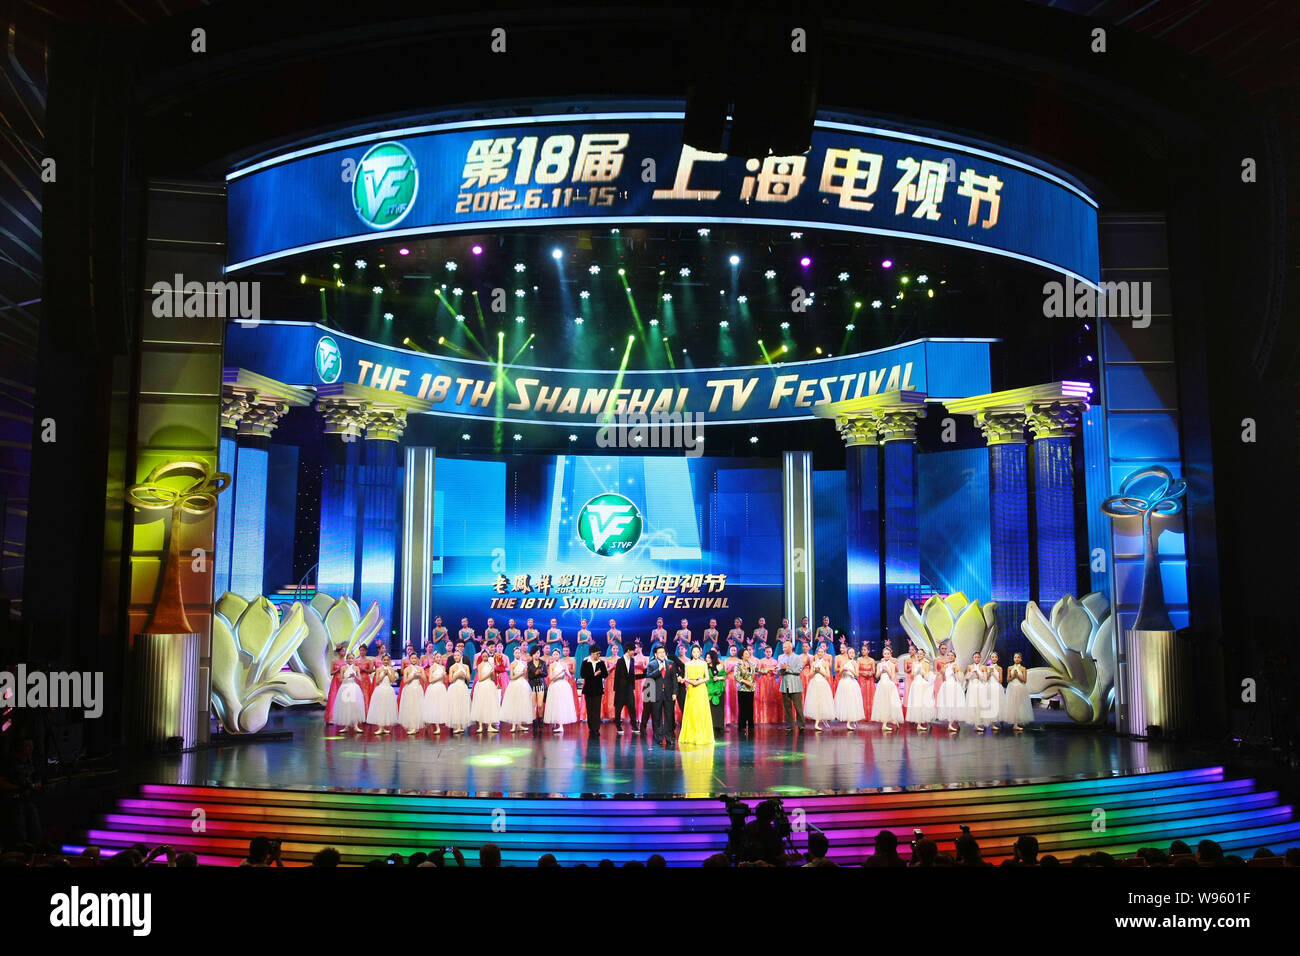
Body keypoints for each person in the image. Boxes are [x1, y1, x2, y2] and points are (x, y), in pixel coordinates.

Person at [678, 645, 714, 746]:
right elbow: (686, 677)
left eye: (698, 652)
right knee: (692, 711)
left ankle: (702, 735)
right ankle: (691, 735)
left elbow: (707, 677)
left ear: (700, 653)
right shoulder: (687, 664)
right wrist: (691, 682)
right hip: (692, 689)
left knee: (701, 711)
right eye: (694, 652)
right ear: (691, 653)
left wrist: (698, 682)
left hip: (701, 689)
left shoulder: (704, 663)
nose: (696, 654)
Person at [645, 645, 680, 747]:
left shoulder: (671, 663)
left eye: (663, 652)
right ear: (655, 655)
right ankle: (658, 738)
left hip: (668, 694)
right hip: (656, 694)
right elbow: (649, 677)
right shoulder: (652, 664)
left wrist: (675, 693)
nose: (662, 654)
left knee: (669, 716)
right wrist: (658, 670)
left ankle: (669, 737)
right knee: (657, 717)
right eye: (659, 652)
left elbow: (674, 680)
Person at [500, 648, 535, 733]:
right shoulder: (512, 664)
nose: (518, 654)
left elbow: (526, 675)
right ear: (513, 654)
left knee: (521, 704)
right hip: (515, 685)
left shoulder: (524, 663)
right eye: (516, 653)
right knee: (514, 704)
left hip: (523, 684)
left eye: (519, 652)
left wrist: (525, 673)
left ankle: (519, 725)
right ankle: (513, 725)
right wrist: (520, 674)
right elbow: (511, 677)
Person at [803, 645, 836, 731]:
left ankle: (822, 720)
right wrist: (814, 671)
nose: (820, 653)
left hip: (822, 683)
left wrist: (820, 671)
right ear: (817, 653)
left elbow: (828, 675)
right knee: (816, 702)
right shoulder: (813, 663)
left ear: (824, 653)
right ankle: (817, 723)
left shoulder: (825, 663)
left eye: (822, 652)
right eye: (819, 652)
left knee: (822, 702)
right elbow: (810, 675)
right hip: (814, 683)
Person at [543, 650, 577, 732]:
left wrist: (566, 672)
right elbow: (551, 678)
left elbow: (569, 675)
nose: (555, 655)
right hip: (554, 685)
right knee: (554, 703)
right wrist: (560, 672)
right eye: (554, 654)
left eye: (557, 654)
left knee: (561, 704)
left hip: (562, 685)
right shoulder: (551, 665)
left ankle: (561, 725)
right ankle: (555, 721)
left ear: (559, 655)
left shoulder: (564, 664)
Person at [612, 640, 642, 734]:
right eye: (633, 650)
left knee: (632, 708)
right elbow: (617, 676)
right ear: (628, 650)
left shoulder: (632, 660)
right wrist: (616, 689)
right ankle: (618, 726)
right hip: (620, 689)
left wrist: (644, 675)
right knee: (618, 708)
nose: (634, 652)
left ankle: (634, 726)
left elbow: (632, 675)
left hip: (629, 688)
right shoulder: (620, 661)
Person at [833, 646, 865, 731]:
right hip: (844, 682)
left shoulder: (855, 663)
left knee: (852, 702)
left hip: (852, 683)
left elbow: (857, 675)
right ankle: (846, 720)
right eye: (850, 652)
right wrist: (843, 669)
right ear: (847, 653)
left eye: (853, 653)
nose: (851, 654)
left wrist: (850, 671)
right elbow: (839, 673)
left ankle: (850, 722)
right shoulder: (844, 662)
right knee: (845, 702)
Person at [777, 640, 806, 733]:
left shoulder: (797, 657)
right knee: (787, 707)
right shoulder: (781, 657)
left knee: (798, 706)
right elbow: (779, 670)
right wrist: (781, 670)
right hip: (785, 684)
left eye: (785, 647)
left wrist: (787, 668)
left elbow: (799, 670)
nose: (783, 649)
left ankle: (801, 725)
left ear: (790, 647)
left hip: (795, 685)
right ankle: (790, 725)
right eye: (783, 647)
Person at [580, 647, 609, 739]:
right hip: (588, 689)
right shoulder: (585, 663)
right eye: (597, 653)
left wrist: (600, 673)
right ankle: (591, 728)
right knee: (590, 709)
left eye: (599, 654)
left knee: (596, 709)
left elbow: (605, 674)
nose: (598, 655)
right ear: (592, 653)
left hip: (598, 689)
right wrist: (594, 674)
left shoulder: (601, 663)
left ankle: (596, 728)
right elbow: (583, 675)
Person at [333, 654, 366, 733]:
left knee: (355, 707)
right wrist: (347, 677)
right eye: (349, 658)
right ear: (347, 659)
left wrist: (355, 676)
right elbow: (340, 679)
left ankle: (356, 726)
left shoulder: (356, 668)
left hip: (354, 688)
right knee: (346, 706)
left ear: (354, 659)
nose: (351, 659)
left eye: (352, 658)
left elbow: (360, 679)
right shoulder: (343, 668)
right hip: (345, 688)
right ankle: (346, 726)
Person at [873, 647, 904, 732]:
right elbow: (876, 676)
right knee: (883, 704)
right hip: (882, 685)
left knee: (891, 703)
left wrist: (887, 670)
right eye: (885, 654)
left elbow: (892, 676)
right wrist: (881, 670)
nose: (886, 655)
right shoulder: (879, 664)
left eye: (888, 654)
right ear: (883, 655)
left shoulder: (892, 665)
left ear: (890, 655)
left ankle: (894, 719)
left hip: (889, 685)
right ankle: (884, 724)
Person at [366, 654, 398, 734]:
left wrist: (388, 673)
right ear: (382, 660)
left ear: (389, 661)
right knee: (380, 708)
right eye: (384, 660)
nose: (386, 661)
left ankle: (384, 727)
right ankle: (380, 727)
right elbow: (377, 681)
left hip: (388, 690)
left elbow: (392, 680)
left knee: (387, 708)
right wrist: (383, 673)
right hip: (380, 689)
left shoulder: (392, 669)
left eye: (387, 660)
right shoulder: (379, 669)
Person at [470, 649, 501, 733]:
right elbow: (480, 679)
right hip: (482, 686)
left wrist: (493, 673)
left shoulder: (491, 665)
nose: (485, 657)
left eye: (486, 656)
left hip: (490, 686)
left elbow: (493, 678)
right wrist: (488, 674)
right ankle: (480, 726)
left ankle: (490, 725)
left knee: (489, 705)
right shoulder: (480, 665)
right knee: (481, 705)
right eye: (483, 656)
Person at [1002, 652, 1033, 732]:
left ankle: (1017, 724)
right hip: (1012, 687)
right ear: (1013, 658)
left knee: (1019, 705)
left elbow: (1024, 680)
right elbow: (1007, 680)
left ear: (1021, 659)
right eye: (1015, 657)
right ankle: (1014, 724)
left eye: (1018, 657)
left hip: (1020, 687)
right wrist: (1013, 676)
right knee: (1012, 705)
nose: (1016, 659)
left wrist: (1018, 675)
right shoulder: (1010, 668)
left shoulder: (1023, 669)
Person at [936, 655, 967, 733]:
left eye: (952, 656)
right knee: (949, 704)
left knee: (953, 704)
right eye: (949, 656)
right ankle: (953, 722)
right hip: (946, 686)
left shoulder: (956, 666)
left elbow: (960, 679)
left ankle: (951, 724)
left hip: (954, 686)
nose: (950, 657)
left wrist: (955, 672)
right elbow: (941, 675)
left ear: (955, 657)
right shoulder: (945, 666)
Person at [397, 652, 426, 736]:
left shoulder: (420, 668)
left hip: (417, 689)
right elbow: (405, 681)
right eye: (412, 658)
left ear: (417, 659)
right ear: (409, 659)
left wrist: (419, 675)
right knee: (410, 708)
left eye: (415, 658)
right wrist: (412, 676)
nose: (414, 660)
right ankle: (412, 726)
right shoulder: (407, 669)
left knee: (417, 707)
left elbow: (425, 679)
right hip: (409, 689)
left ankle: (416, 727)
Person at [444, 651, 473, 733]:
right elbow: (450, 680)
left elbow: (468, 679)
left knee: (462, 706)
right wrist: (457, 675)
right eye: (455, 656)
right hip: (455, 687)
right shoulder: (452, 667)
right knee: (455, 706)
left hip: (463, 687)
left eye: (458, 655)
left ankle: (461, 725)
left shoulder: (466, 666)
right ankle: (456, 726)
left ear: (461, 656)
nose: (456, 657)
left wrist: (463, 674)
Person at [907, 657, 936, 732]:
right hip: (916, 684)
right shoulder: (914, 664)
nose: (919, 655)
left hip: (923, 684)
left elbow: (927, 677)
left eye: (920, 654)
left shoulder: (926, 664)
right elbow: (912, 675)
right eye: (918, 654)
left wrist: (922, 671)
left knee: (925, 702)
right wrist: (916, 671)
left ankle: (927, 719)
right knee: (917, 702)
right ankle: (919, 724)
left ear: (923, 655)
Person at [422, 650, 447, 735]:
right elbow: (430, 680)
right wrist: (440, 676)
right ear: (434, 658)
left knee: (439, 706)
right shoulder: (432, 667)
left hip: (441, 688)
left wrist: (444, 677)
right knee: (433, 706)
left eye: (440, 657)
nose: (439, 658)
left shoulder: (443, 667)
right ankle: (434, 725)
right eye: (437, 657)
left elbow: (445, 680)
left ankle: (438, 725)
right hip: (434, 688)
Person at [735, 646, 757, 737]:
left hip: (751, 689)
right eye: (746, 654)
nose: (748, 655)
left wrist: (770, 669)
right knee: (743, 708)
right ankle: (742, 726)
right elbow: (736, 676)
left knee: (750, 708)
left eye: (748, 653)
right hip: (742, 689)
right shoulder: (738, 664)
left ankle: (751, 725)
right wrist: (746, 682)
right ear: (742, 655)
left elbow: (757, 671)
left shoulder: (752, 664)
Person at [527, 645, 548, 735]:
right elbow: (529, 676)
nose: (537, 655)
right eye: (535, 653)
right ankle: (534, 722)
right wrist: (535, 673)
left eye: (538, 653)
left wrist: (541, 672)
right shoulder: (529, 664)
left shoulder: (543, 663)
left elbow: (546, 674)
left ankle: (540, 720)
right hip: (532, 685)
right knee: (533, 705)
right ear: (532, 654)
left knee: (540, 705)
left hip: (540, 684)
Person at [705, 649, 727, 735]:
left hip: (718, 690)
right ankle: (711, 726)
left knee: (719, 708)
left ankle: (720, 726)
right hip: (709, 689)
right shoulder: (705, 666)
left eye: (709, 657)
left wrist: (718, 678)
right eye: (706, 657)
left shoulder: (719, 666)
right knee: (711, 709)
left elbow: (724, 676)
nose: (707, 659)